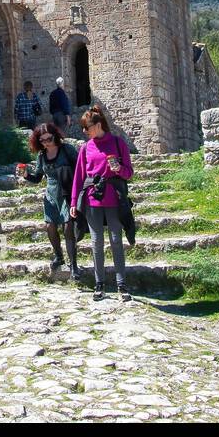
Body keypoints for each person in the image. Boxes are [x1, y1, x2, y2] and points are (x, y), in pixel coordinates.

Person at [71, 104, 133, 301]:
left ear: (97, 125)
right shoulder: (85, 148)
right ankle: (100, 285)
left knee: (116, 240)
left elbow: (128, 172)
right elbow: (79, 177)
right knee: (96, 242)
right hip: (92, 199)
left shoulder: (117, 143)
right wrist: (74, 202)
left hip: (114, 198)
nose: (84, 131)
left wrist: (118, 170)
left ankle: (121, 284)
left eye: (86, 127)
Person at [17, 122, 79, 278]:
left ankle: (74, 266)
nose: (46, 143)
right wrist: (26, 175)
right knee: (50, 226)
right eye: (42, 141)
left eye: (49, 139)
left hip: (66, 192)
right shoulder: (41, 156)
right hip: (50, 195)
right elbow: (38, 178)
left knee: (67, 227)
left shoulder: (67, 150)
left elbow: (80, 169)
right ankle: (59, 256)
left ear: (55, 136)